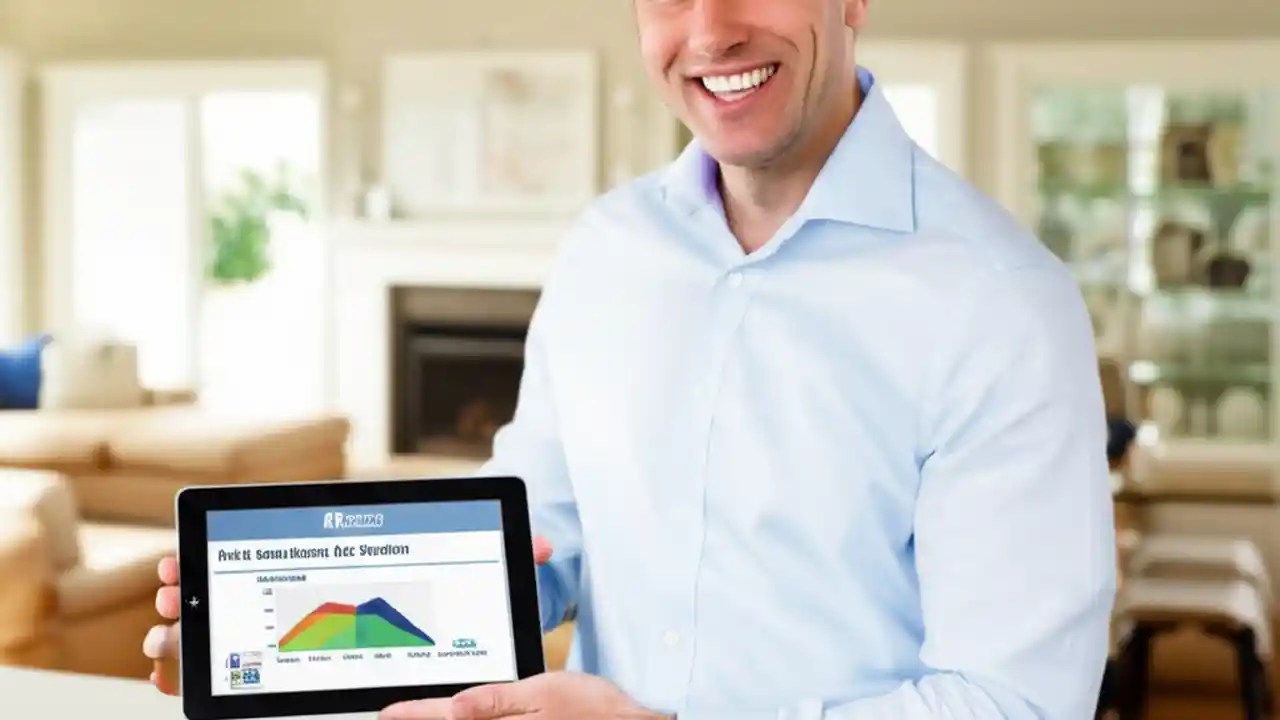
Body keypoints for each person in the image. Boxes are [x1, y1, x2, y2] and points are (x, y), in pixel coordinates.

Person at [146, 0, 1118, 717]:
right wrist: (288, 645)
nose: (709, 31)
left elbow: (1012, 701)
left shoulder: (998, 301)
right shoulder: (604, 250)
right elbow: (539, 533)